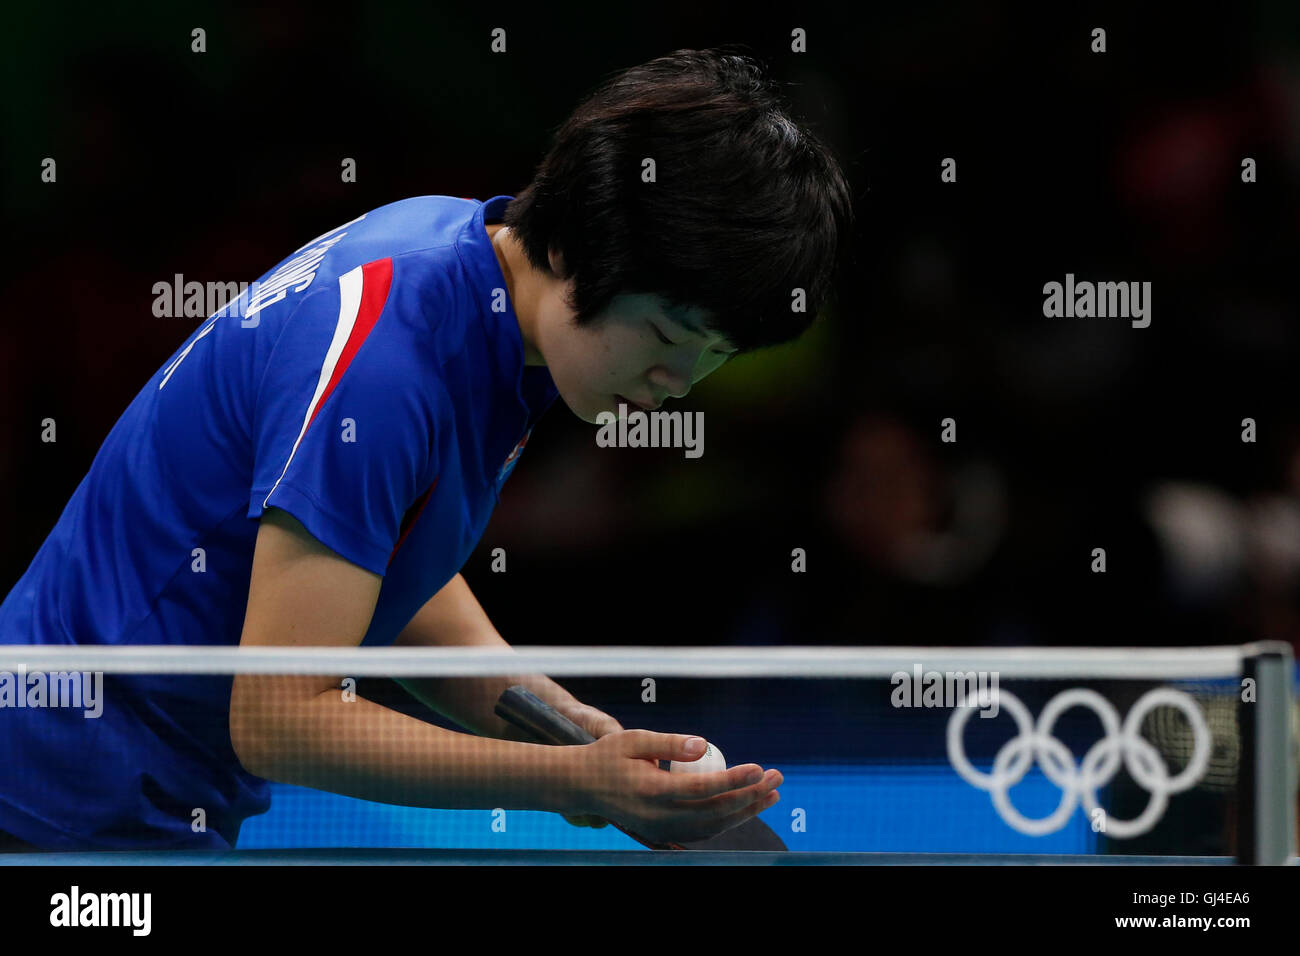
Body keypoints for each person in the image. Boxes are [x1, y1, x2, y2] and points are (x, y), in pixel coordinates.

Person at [0, 47, 854, 850]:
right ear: (573, 247)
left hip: (131, 788)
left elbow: (377, 557)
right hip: (57, 795)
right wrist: (567, 780)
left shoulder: (472, 276)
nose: (680, 381)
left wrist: (569, 727)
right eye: (669, 334)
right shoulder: (386, 366)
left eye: (713, 357)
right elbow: (281, 719)